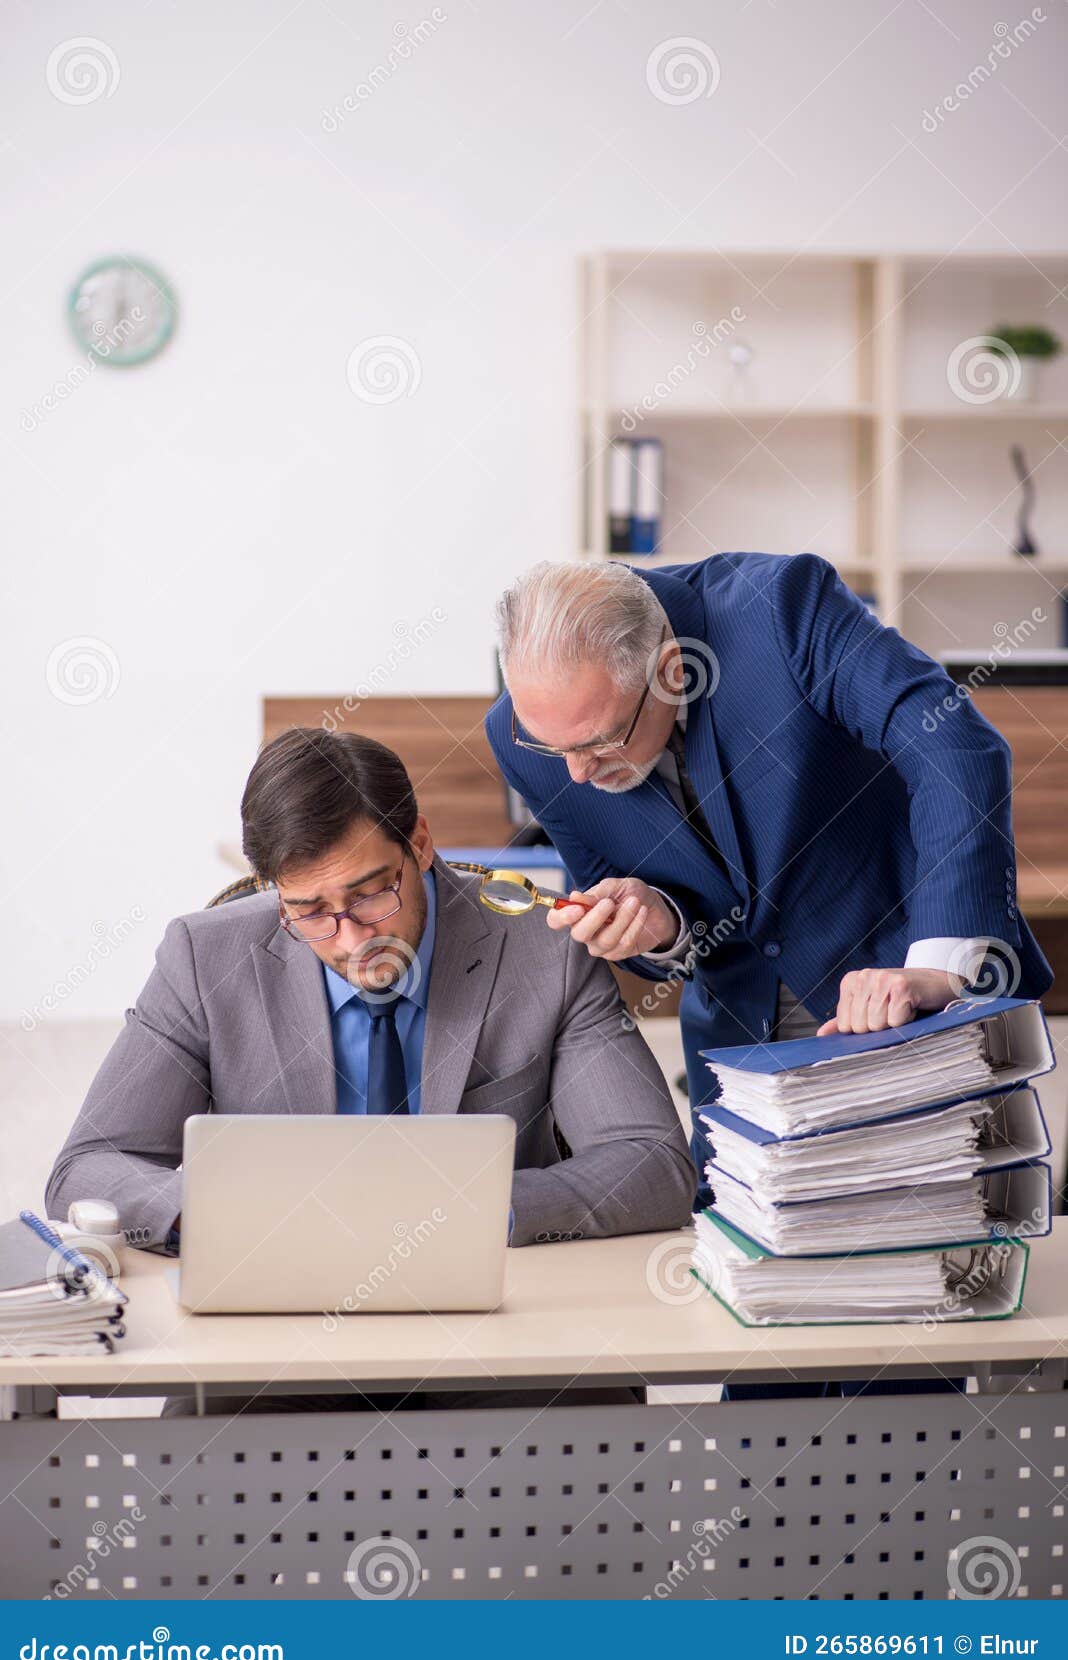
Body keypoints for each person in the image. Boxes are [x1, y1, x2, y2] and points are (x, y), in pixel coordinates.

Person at [46, 728, 695, 1415]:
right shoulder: (204, 959)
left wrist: (480, 1210)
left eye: (370, 894)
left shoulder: (545, 952)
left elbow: (653, 1163)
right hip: (275, 1349)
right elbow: (87, 1166)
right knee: (197, 1458)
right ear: (276, 894)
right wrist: (225, 1215)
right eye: (310, 913)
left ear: (420, 844)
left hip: (503, 1338)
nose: (354, 940)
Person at [486, 553, 1052, 1206]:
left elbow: (955, 748)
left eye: (601, 741)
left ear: (672, 668)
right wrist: (657, 922)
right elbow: (622, 898)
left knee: (941, 1229)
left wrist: (941, 966)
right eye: (553, 747)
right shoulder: (521, 736)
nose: (577, 773)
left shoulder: (782, 610)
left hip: (902, 990)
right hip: (740, 1048)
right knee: (748, 1248)